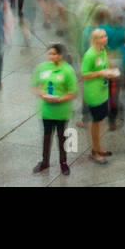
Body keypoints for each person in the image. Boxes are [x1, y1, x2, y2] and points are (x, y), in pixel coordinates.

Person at [32, 43, 77, 175]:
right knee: (46, 136)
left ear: (60, 55)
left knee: (61, 137)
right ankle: (44, 161)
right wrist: (42, 94)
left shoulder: (67, 70)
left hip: (61, 112)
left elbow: (72, 92)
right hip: (46, 111)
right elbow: (34, 86)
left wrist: (59, 99)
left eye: (54, 54)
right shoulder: (42, 68)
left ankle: (63, 162)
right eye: (50, 54)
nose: (51, 56)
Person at [82, 29, 116, 165]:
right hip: (94, 94)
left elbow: (104, 67)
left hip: (103, 92)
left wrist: (109, 72)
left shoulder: (103, 51)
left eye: (105, 36)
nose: (105, 38)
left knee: (100, 121)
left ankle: (98, 148)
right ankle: (94, 152)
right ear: (95, 39)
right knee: (96, 123)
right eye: (102, 37)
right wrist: (100, 73)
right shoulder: (90, 55)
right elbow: (84, 74)